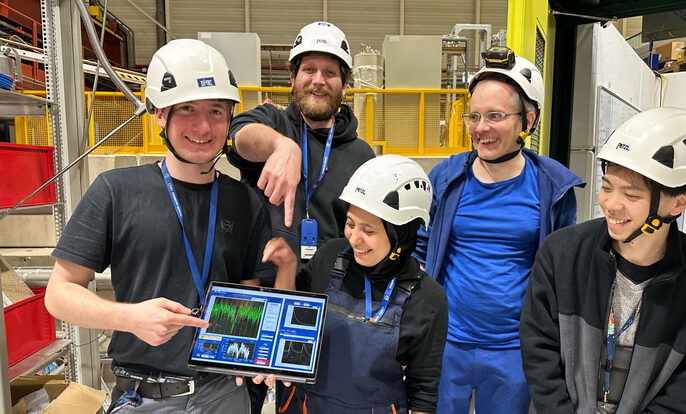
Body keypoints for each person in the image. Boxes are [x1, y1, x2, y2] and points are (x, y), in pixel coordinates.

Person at [44, 39, 294, 413]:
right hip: (144, 396)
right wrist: (128, 317)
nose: (203, 125)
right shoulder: (117, 191)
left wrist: (259, 353)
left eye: (216, 111)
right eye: (187, 108)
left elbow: (247, 296)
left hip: (224, 394)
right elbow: (58, 294)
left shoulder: (245, 201)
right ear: (160, 113)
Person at [520, 107, 686, 413]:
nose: (612, 204)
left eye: (631, 195)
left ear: (681, 200)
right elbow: (538, 348)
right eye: (607, 187)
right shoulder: (562, 253)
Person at [413, 46, 584, 413]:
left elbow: (561, 272)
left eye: (495, 116)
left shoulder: (553, 188)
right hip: (446, 344)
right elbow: (419, 251)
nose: (480, 128)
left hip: (514, 351)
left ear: (528, 120)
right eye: (473, 116)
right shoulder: (446, 177)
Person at [264, 155, 448, 413]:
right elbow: (288, 320)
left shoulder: (426, 298)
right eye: (350, 224)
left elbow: (423, 389)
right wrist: (287, 267)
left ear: (402, 235)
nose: (355, 239)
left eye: (369, 231)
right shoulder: (329, 256)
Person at [227, 20, 375, 272]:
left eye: (330, 72)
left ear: (345, 85)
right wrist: (281, 145)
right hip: (265, 287)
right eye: (309, 70)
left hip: (330, 292)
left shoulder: (361, 155)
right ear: (293, 79)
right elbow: (241, 134)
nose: (318, 80)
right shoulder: (274, 123)